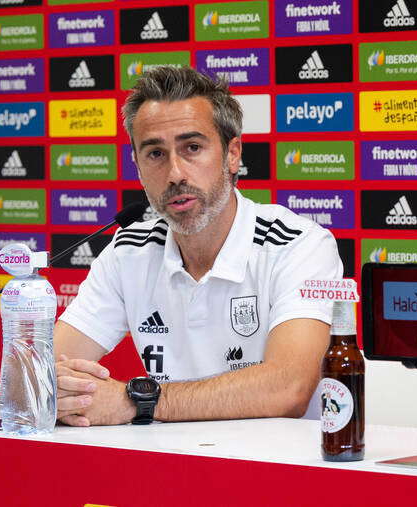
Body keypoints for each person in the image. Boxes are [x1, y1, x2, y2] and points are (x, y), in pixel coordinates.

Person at [54, 66, 343, 426]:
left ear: (232, 154)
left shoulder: (298, 245)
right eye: (155, 154)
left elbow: (289, 387)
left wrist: (136, 402)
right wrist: (58, 390)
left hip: (281, 470)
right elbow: (41, 370)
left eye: (192, 148)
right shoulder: (128, 250)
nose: (175, 173)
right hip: (171, 467)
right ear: (138, 169)